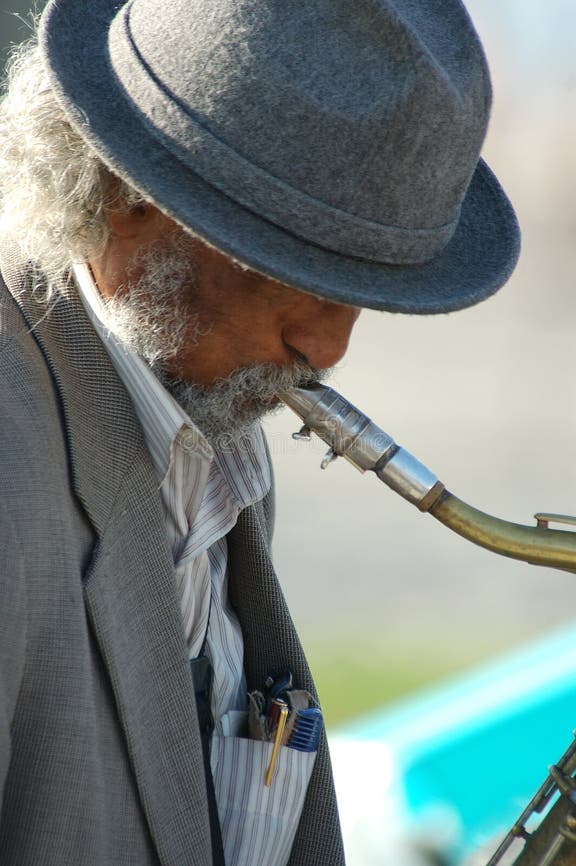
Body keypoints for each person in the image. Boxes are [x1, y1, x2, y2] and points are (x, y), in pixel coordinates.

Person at [0, 0, 520, 864]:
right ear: (131, 189)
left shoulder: (205, 415)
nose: (329, 347)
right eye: (296, 270)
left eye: (368, 288)